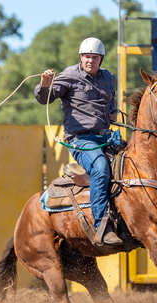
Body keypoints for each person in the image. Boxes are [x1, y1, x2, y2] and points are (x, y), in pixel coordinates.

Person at [35, 37, 122, 246]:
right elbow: (44, 98)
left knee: (137, 159)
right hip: (81, 140)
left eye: (94, 57)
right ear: (80, 57)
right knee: (101, 169)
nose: (89, 61)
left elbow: (112, 104)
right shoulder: (69, 75)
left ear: (101, 59)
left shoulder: (109, 78)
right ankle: (102, 225)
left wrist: (112, 114)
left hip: (105, 137)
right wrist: (44, 86)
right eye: (86, 57)